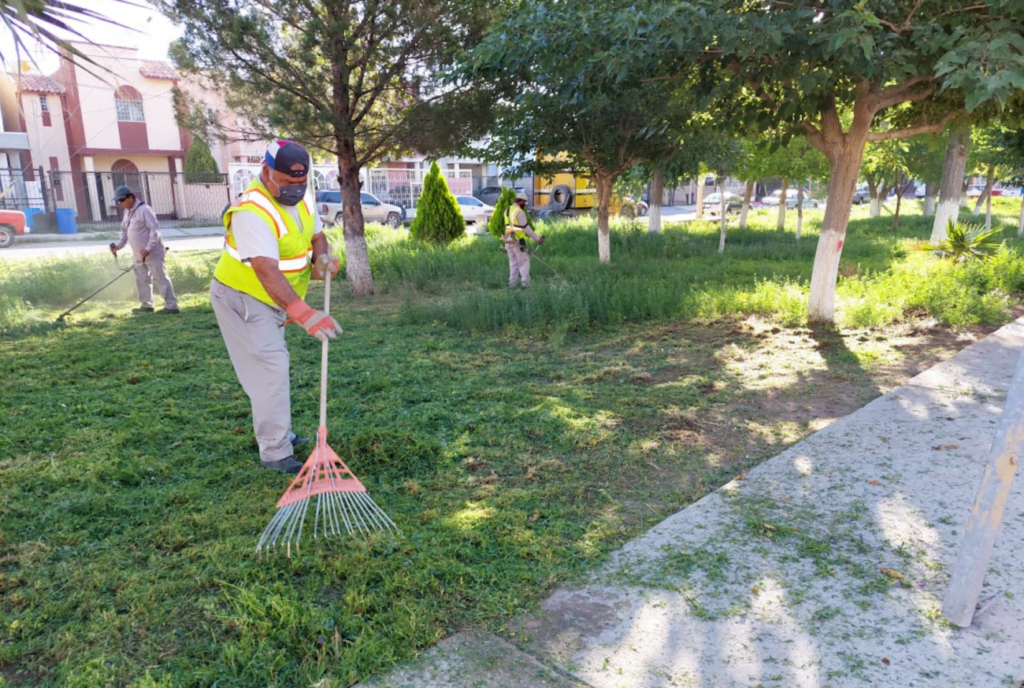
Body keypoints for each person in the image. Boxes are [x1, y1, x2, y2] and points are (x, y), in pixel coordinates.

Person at [209, 140, 341, 473]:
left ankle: (279, 430)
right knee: (270, 368)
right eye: (288, 181)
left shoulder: (302, 199)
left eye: (301, 182)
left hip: (272, 300)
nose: (296, 189)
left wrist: (320, 259)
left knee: (272, 365)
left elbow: (316, 235)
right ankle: (276, 451)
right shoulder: (252, 211)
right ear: (267, 172)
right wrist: (304, 313)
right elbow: (266, 270)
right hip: (243, 297)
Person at [109, 185, 179, 314]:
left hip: (152, 252)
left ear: (131, 197)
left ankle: (171, 306)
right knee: (142, 279)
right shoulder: (127, 212)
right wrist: (118, 246)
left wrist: (148, 248)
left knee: (160, 278)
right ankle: (147, 305)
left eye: (122, 200)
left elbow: (155, 231)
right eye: (118, 201)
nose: (120, 203)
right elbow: (125, 233)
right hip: (138, 254)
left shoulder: (145, 210)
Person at [502, 191, 545, 287]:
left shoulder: (507, 210)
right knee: (524, 262)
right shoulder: (519, 212)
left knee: (513, 263)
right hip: (518, 240)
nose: (525, 204)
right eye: (524, 202)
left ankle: (512, 284)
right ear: (520, 201)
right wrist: (537, 239)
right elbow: (526, 228)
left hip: (508, 239)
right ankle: (525, 284)